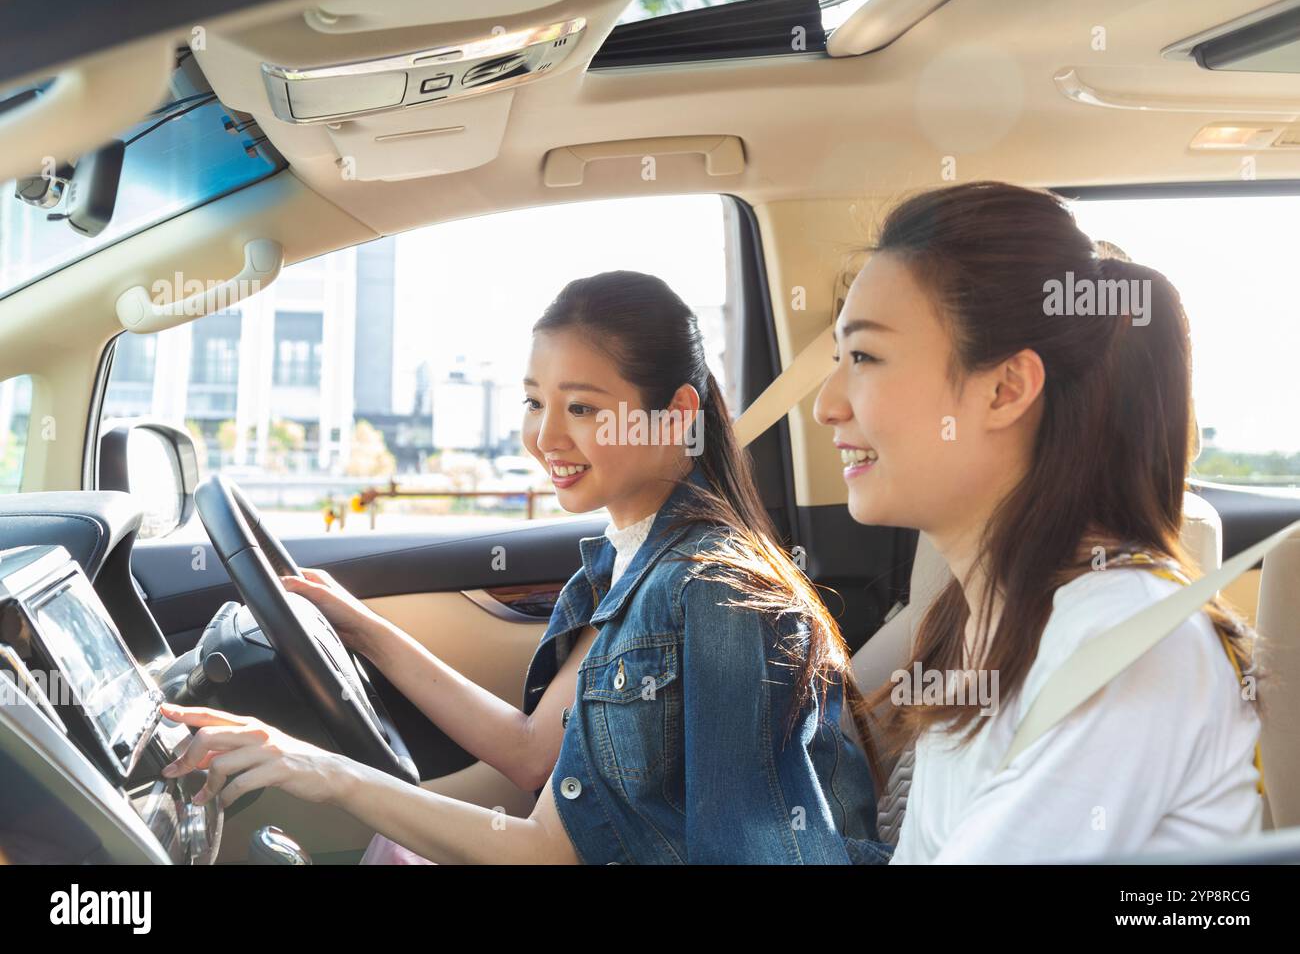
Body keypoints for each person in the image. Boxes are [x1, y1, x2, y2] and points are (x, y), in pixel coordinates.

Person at [161, 270, 885, 864]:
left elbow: (553, 851)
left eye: (583, 408)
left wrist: (324, 772)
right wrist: (361, 631)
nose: (545, 436)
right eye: (535, 402)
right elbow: (536, 752)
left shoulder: (710, 593)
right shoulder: (629, 562)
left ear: (674, 415)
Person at [814, 181, 1263, 863]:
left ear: (1005, 389)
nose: (827, 405)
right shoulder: (988, 619)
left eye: (866, 357)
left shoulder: (1118, 639)